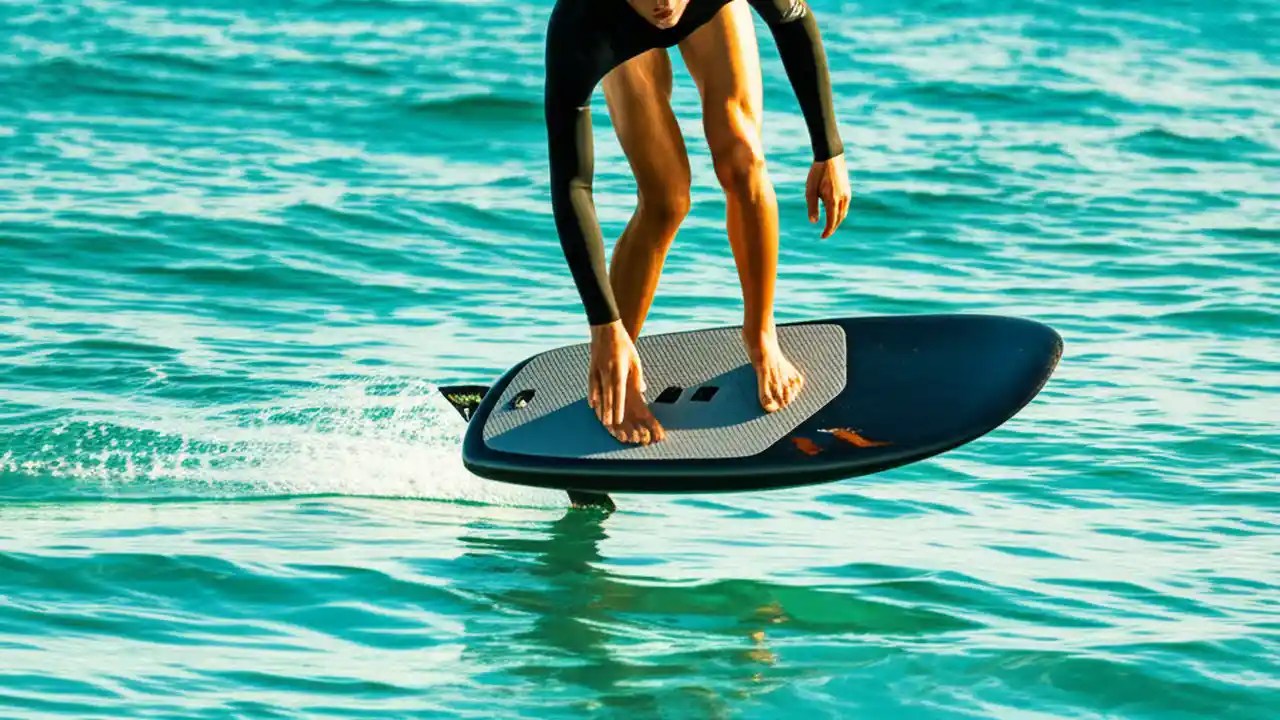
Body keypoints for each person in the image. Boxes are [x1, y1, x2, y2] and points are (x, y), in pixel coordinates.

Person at [545, 0, 850, 445]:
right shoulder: (582, 20)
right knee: (666, 198)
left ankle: (762, 335)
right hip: (620, 28)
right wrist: (602, 326)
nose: (663, 3)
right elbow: (573, 185)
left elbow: (794, 19)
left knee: (743, 157)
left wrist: (829, 151)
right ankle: (618, 361)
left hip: (711, 10)